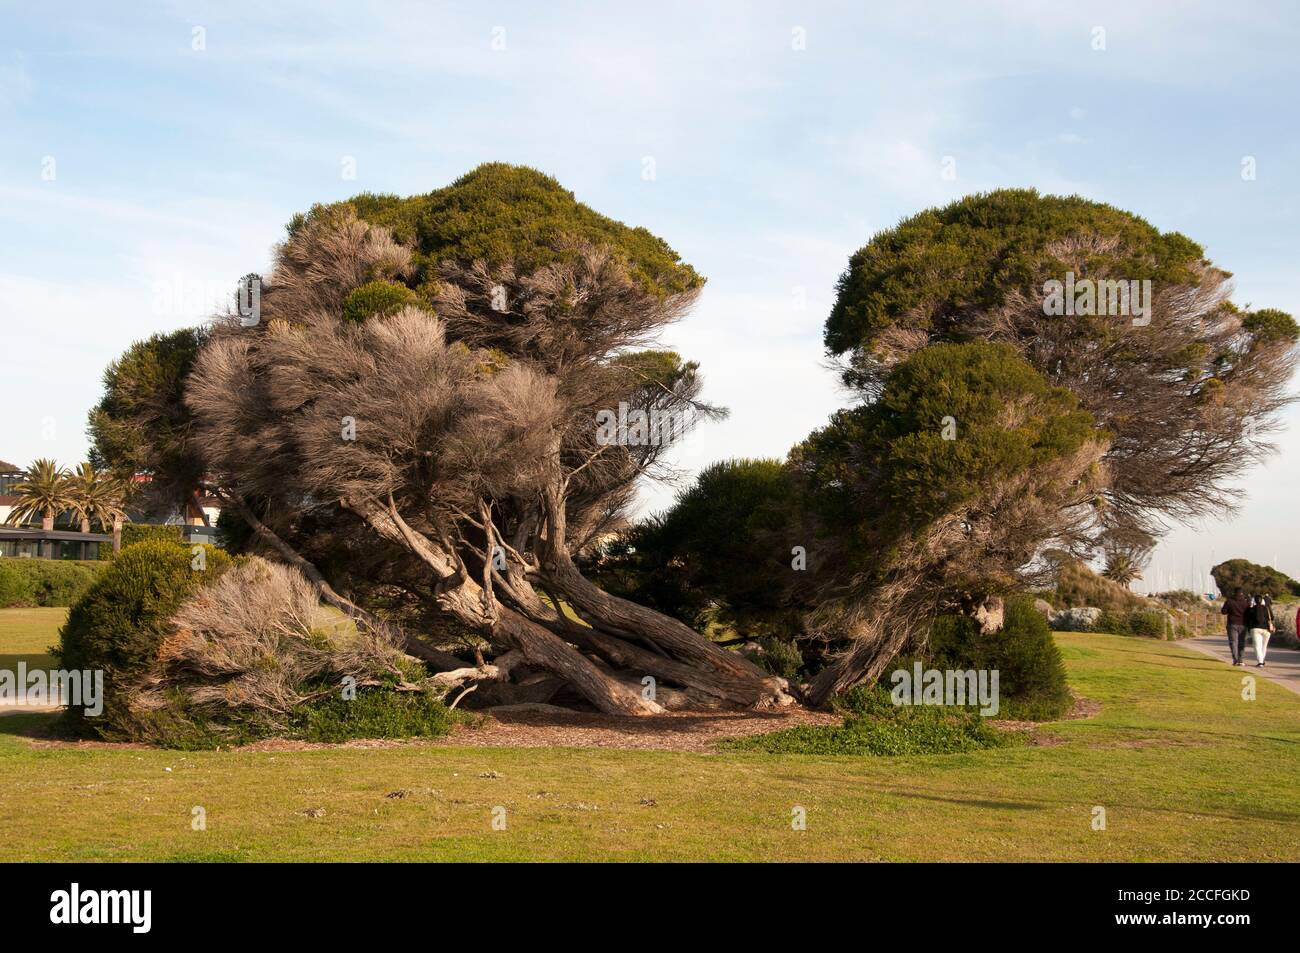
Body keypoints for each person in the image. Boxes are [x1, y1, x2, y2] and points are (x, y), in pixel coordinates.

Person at [1221, 587, 1251, 666]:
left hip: (1232, 623)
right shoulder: (1246, 602)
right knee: (1242, 642)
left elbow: (1223, 611)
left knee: (1233, 642)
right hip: (1243, 624)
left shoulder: (1229, 601)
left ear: (1234, 593)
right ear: (1242, 593)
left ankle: (1235, 659)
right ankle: (1241, 660)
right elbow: (1249, 613)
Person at [1248, 594, 1275, 668]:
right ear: (1262, 600)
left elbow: (1249, 619)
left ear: (1255, 601)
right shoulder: (1267, 608)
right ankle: (1262, 660)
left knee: (1257, 646)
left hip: (1255, 629)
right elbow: (1272, 617)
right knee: (1264, 646)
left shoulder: (1252, 609)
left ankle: (1260, 662)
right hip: (1267, 629)